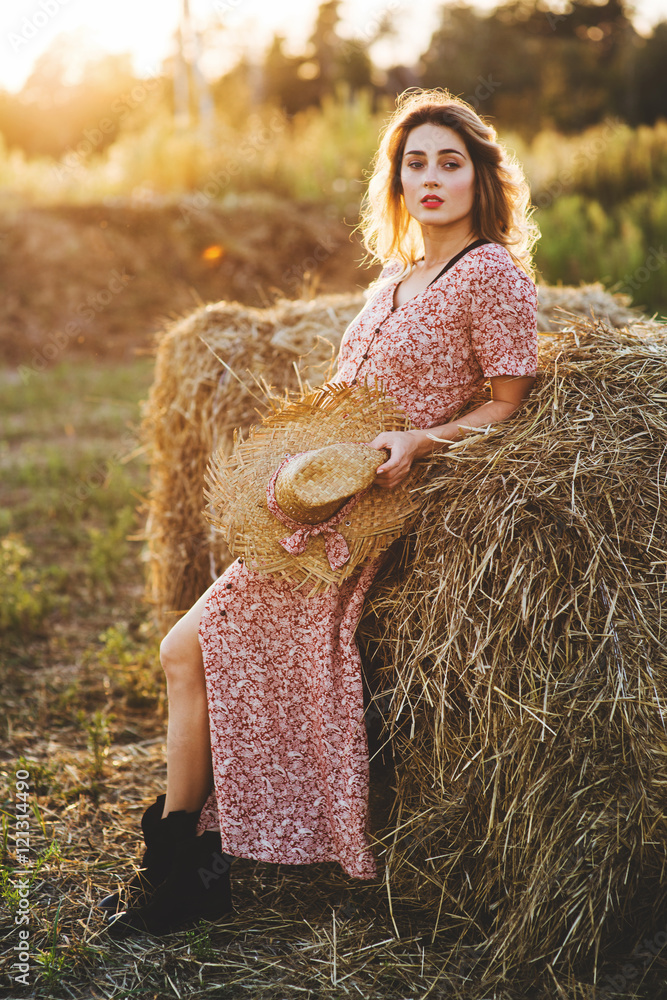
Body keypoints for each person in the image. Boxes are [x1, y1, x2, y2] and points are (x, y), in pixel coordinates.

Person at [101, 87, 539, 936]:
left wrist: (423, 440)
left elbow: (505, 405)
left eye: (450, 162)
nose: (431, 178)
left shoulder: (489, 273)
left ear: (481, 175)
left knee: (185, 647)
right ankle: (190, 864)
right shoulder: (395, 275)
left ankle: (184, 876)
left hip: (375, 512)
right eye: (415, 163)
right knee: (193, 653)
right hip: (322, 500)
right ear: (397, 180)